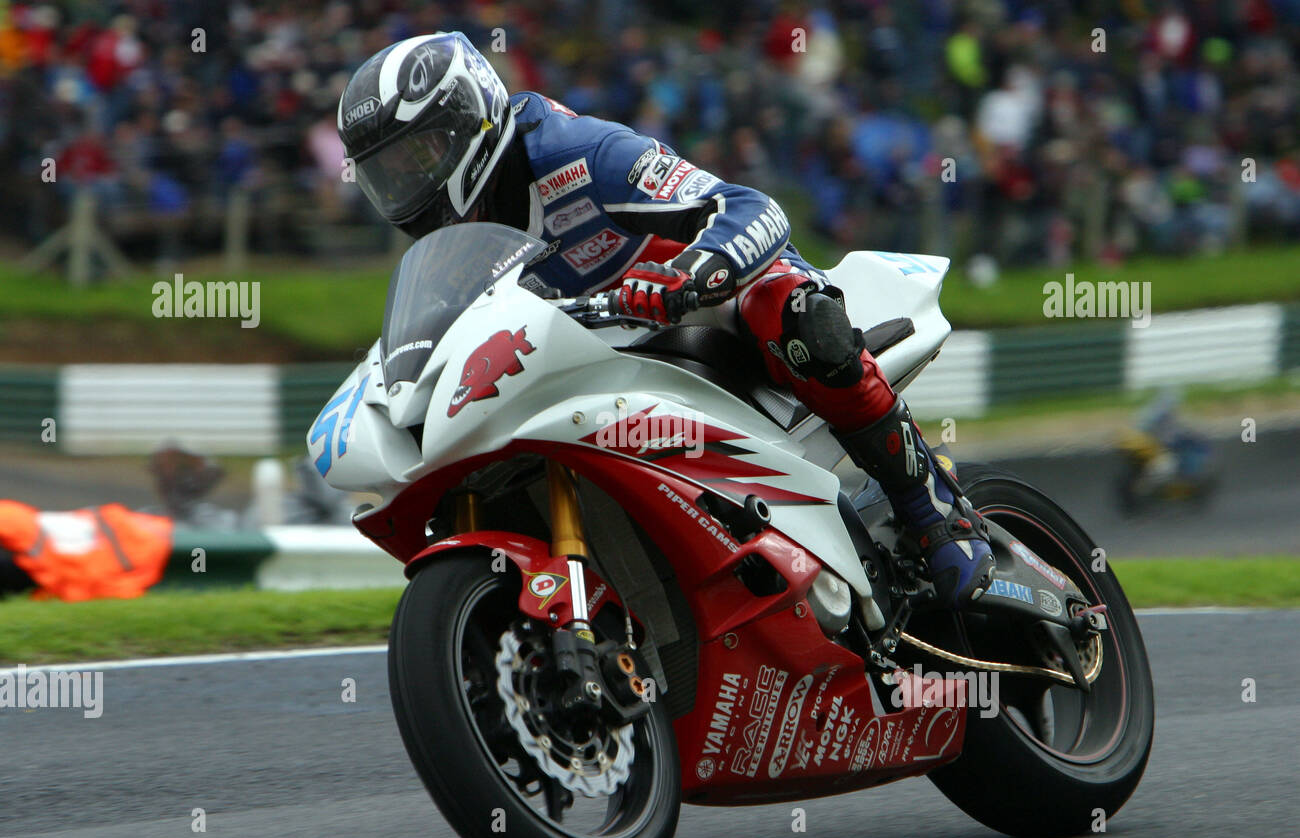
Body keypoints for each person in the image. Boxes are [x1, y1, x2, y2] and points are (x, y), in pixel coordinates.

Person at [337, 33, 994, 608]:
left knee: (799, 317)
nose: (407, 185)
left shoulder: (575, 153)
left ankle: (933, 511)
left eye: (417, 158)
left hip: (710, 305)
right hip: (601, 366)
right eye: (388, 174)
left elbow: (751, 209)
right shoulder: (450, 251)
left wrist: (689, 275)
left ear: (469, 121)